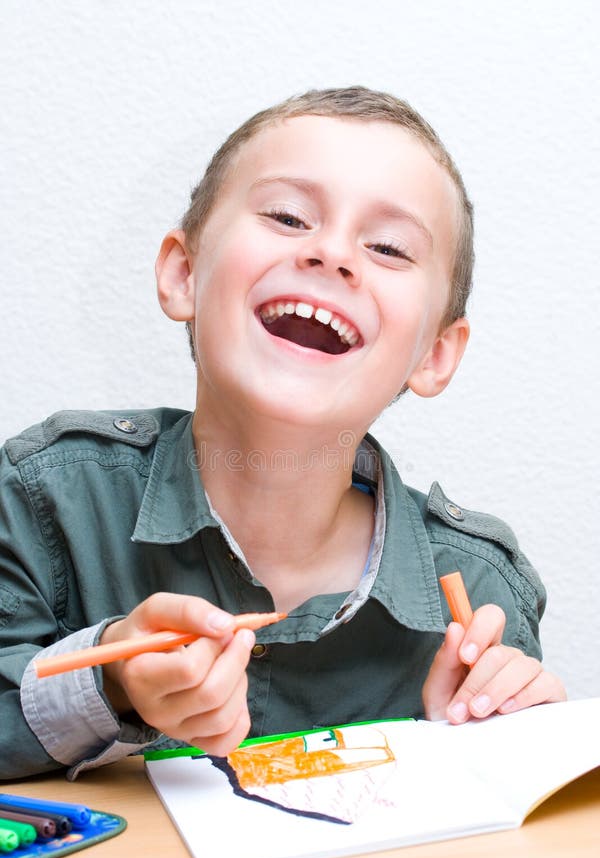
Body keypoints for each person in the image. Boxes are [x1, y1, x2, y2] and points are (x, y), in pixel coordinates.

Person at [0, 87, 565, 781]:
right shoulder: (40, 502)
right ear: (183, 273)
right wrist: (109, 683)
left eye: (388, 247)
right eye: (288, 216)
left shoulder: (483, 589)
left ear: (434, 355)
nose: (332, 253)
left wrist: (496, 755)